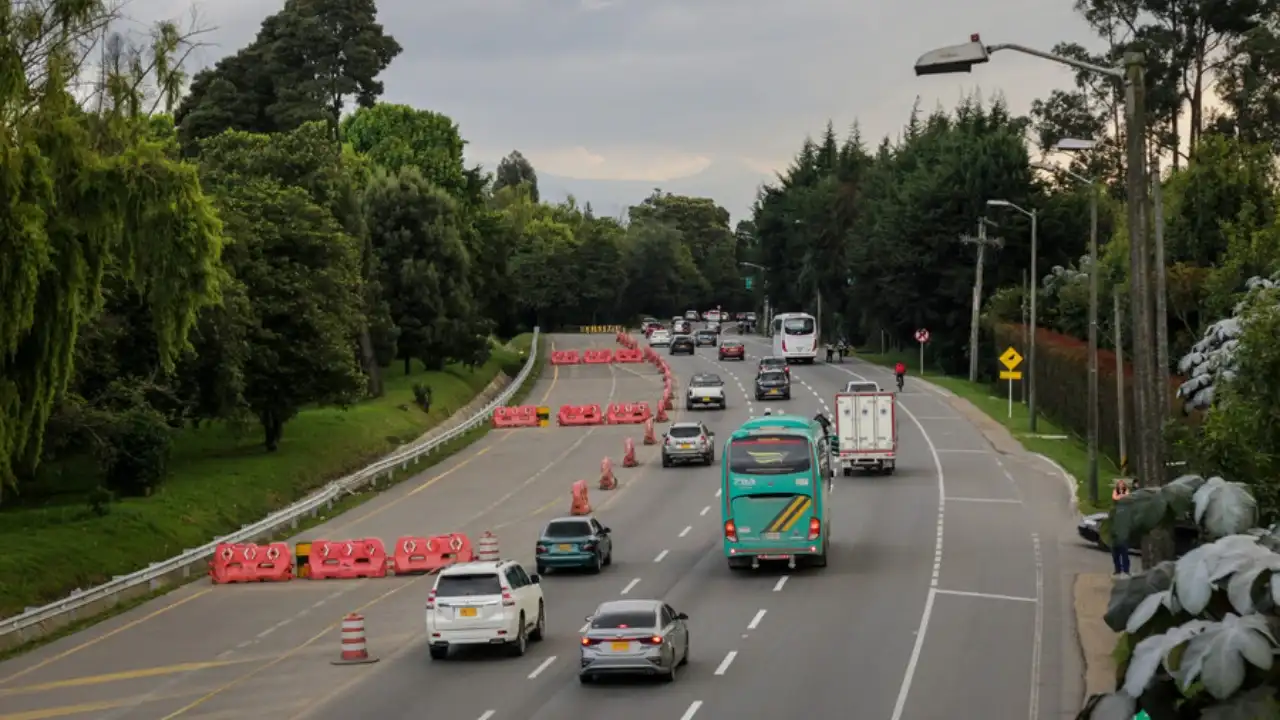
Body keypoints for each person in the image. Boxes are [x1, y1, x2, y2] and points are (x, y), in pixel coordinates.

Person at [1110, 479, 1132, 577]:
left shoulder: (1125, 514)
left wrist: (1121, 497)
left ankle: (1126, 569)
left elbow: (1127, 497)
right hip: (1115, 534)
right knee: (1115, 553)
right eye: (1119, 484)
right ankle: (1117, 569)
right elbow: (1115, 497)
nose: (1120, 485)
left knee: (1124, 552)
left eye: (1122, 484)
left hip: (1122, 534)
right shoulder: (1114, 511)